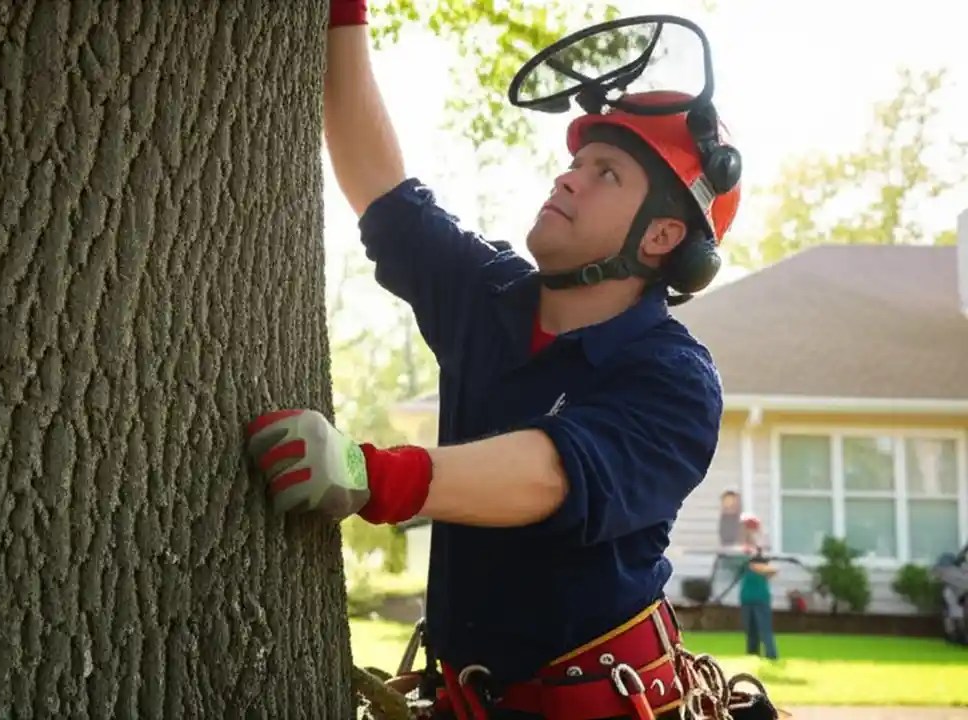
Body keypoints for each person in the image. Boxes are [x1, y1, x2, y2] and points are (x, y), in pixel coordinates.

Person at [245, 3, 762, 719]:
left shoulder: (674, 378)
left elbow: (553, 473)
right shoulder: (490, 296)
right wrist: (342, 12)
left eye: (607, 172)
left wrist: (375, 474)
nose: (569, 177)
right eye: (576, 161)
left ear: (662, 235)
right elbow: (381, 188)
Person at [738, 515, 780, 660]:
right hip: (747, 596)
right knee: (751, 632)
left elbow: (770, 570)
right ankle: (753, 657)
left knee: (764, 630)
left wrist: (763, 568)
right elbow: (756, 567)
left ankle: (771, 655)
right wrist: (763, 568)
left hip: (761, 596)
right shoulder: (744, 552)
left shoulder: (760, 552)